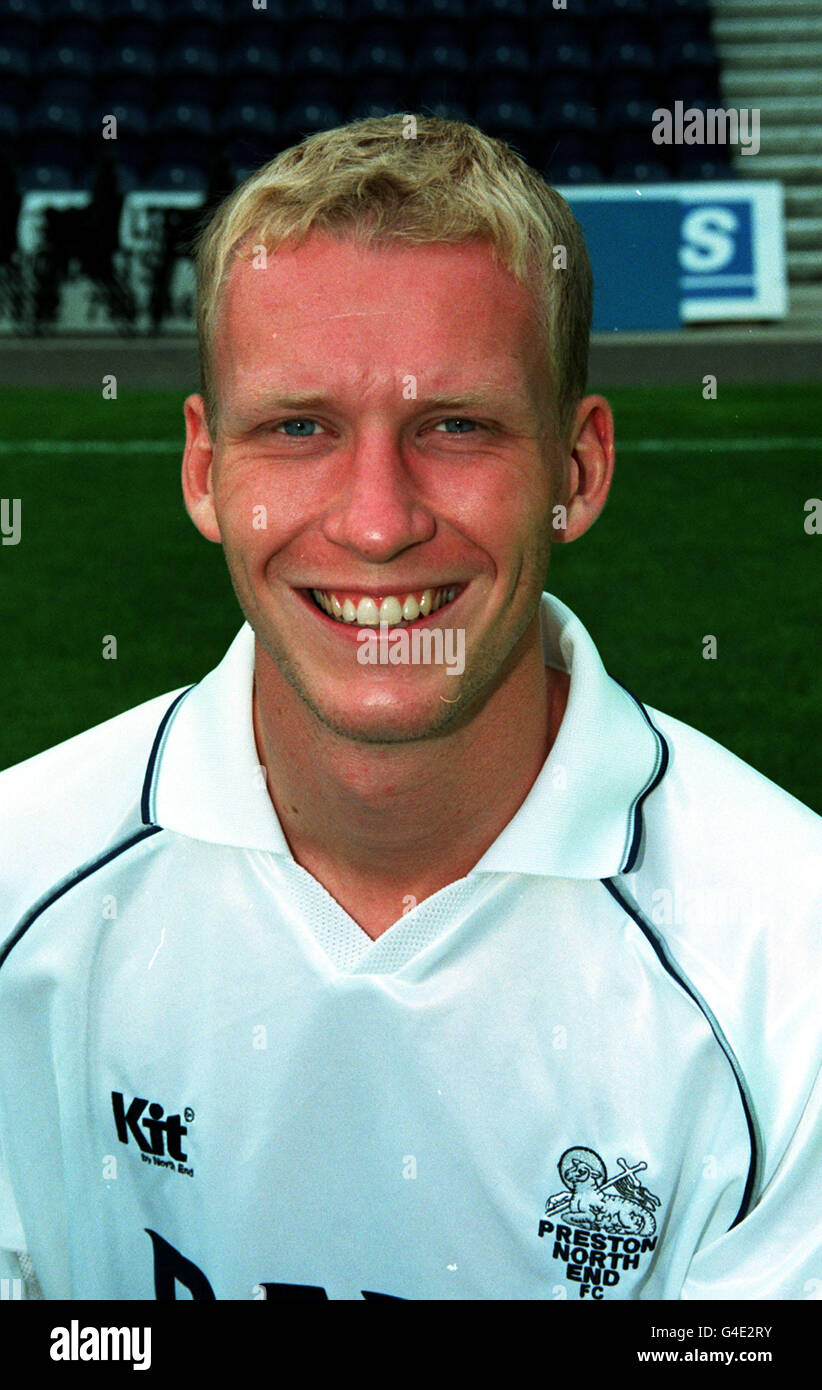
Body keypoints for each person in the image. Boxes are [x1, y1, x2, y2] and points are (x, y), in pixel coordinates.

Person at [0, 116, 818, 1302]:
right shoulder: (19, 890)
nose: (377, 522)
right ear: (202, 470)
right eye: (298, 429)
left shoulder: (792, 978)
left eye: (455, 427)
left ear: (577, 472)